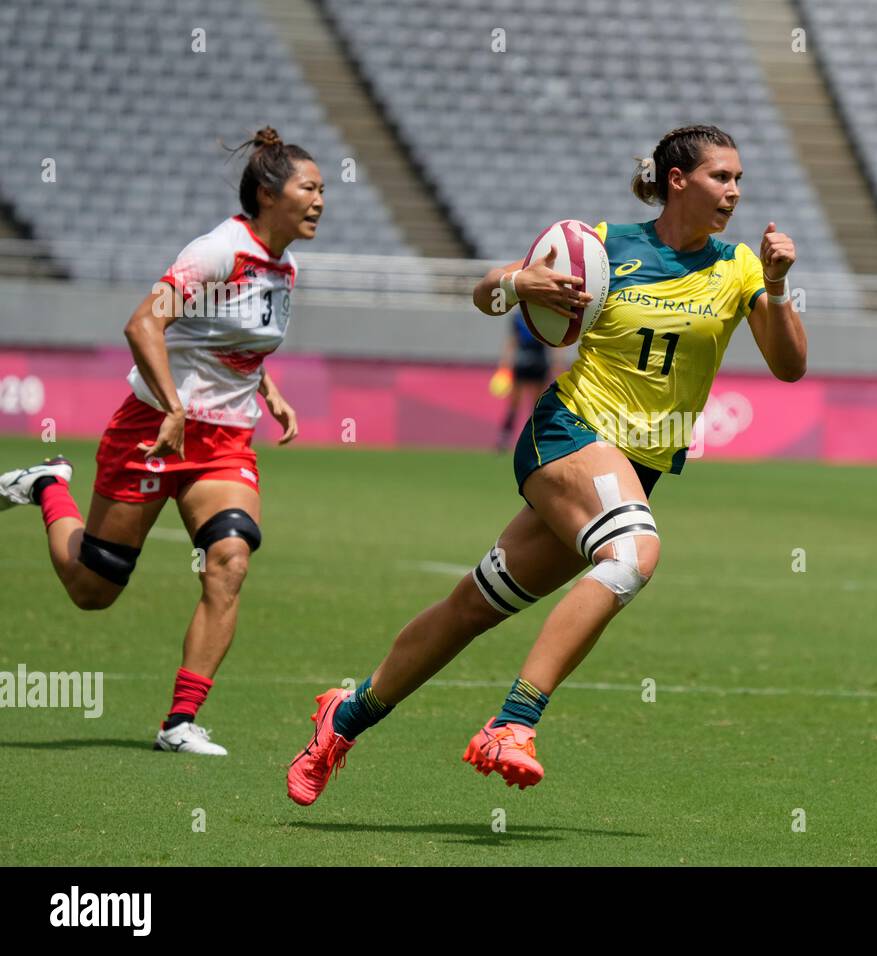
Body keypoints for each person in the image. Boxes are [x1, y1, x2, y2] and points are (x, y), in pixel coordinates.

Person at [287, 124, 807, 804]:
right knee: (633, 555)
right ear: (678, 181)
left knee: (473, 606)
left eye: (739, 178)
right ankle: (513, 723)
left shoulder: (739, 267)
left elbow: (791, 366)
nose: (735, 191)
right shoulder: (604, 247)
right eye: (721, 176)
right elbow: (486, 297)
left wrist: (774, 286)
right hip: (568, 434)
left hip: (631, 471)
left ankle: (343, 717)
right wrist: (514, 280)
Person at [0, 127, 320, 752]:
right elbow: (144, 323)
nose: (320, 201)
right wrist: (174, 405)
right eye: (309, 188)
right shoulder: (217, 251)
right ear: (267, 193)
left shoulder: (287, 266)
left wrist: (267, 388)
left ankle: (180, 722)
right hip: (153, 429)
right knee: (94, 588)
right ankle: (45, 486)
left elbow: (226, 340)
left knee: (230, 560)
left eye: (323, 189)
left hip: (224, 442)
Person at [491, 309, 560, 452]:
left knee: (536, 406)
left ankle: (536, 440)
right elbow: (513, 340)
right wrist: (505, 364)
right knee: (514, 404)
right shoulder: (517, 317)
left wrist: (556, 364)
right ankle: (505, 438)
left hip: (539, 362)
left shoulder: (544, 314)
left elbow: (552, 341)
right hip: (522, 362)